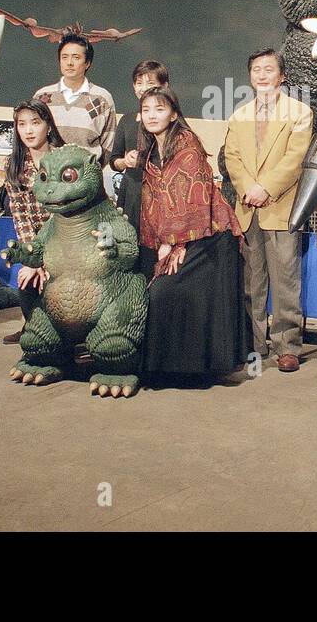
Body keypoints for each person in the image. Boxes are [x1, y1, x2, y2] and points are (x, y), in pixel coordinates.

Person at [137, 86, 248, 380]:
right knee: (161, 292)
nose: (152, 115)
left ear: (173, 114)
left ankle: (190, 369)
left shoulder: (187, 145)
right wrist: (165, 241)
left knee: (164, 291)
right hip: (179, 237)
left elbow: (193, 198)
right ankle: (170, 368)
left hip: (208, 234)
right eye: (146, 110)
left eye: (159, 109)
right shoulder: (151, 151)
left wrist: (176, 244)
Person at [223, 48, 314, 371]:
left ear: (282, 76)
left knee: (286, 279)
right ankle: (254, 342)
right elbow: (231, 157)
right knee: (251, 281)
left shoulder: (300, 112)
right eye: (256, 69)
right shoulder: (239, 115)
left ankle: (287, 345)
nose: (261, 75)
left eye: (268, 69)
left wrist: (266, 188)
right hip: (247, 206)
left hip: (281, 205)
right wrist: (249, 188)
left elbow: (296, 159)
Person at [1, 101, 65, 344]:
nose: (28, 130)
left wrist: (51, 256)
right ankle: (34, 327)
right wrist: (33, 258)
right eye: (22, 124)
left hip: (67, 237)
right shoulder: (14, 164)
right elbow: (20, 215)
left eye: (35, 123)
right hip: (36, 241)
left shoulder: (65, 157)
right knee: (27, 281)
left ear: (48, 126)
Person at [109, 60, 169, 269]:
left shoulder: (168, 120)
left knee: (155, 257)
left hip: (160, 196)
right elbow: (113, 160)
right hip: (132, 193)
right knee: (129, 251)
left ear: (165, 86)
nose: (143, 87)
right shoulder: (126, 120)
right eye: (138, 82)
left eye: (150, 82)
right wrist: (124, 161)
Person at [32, 33, 116, 166]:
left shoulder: (101, 98)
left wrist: (92, 172)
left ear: (87, 63)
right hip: (49, 178)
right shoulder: (42, 97)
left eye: (76, 57)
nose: (69, 63)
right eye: (64, 57)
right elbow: (33, 138)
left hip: (86, 179)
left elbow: (108, 142)